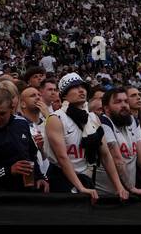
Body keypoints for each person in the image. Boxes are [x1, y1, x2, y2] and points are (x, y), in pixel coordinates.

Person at [44, 72, 108, 202]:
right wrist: (80, 187)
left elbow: (106, 154)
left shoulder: (92, 117)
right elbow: (62, 157)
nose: (81, 90)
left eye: (83, 87)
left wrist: (120, 187)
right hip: (62, 181)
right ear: (64, 95)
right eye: (75, 87)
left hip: (86, 179)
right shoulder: (56, 118)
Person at [97, 88, 141, 201]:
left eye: (126, 101)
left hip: (127, 192)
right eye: (118, 102)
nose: (124, 105)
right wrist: (132, 188)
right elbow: (117, 159)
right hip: (105, 194)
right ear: (106, 109)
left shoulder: (133, 121)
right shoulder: (103, 122)